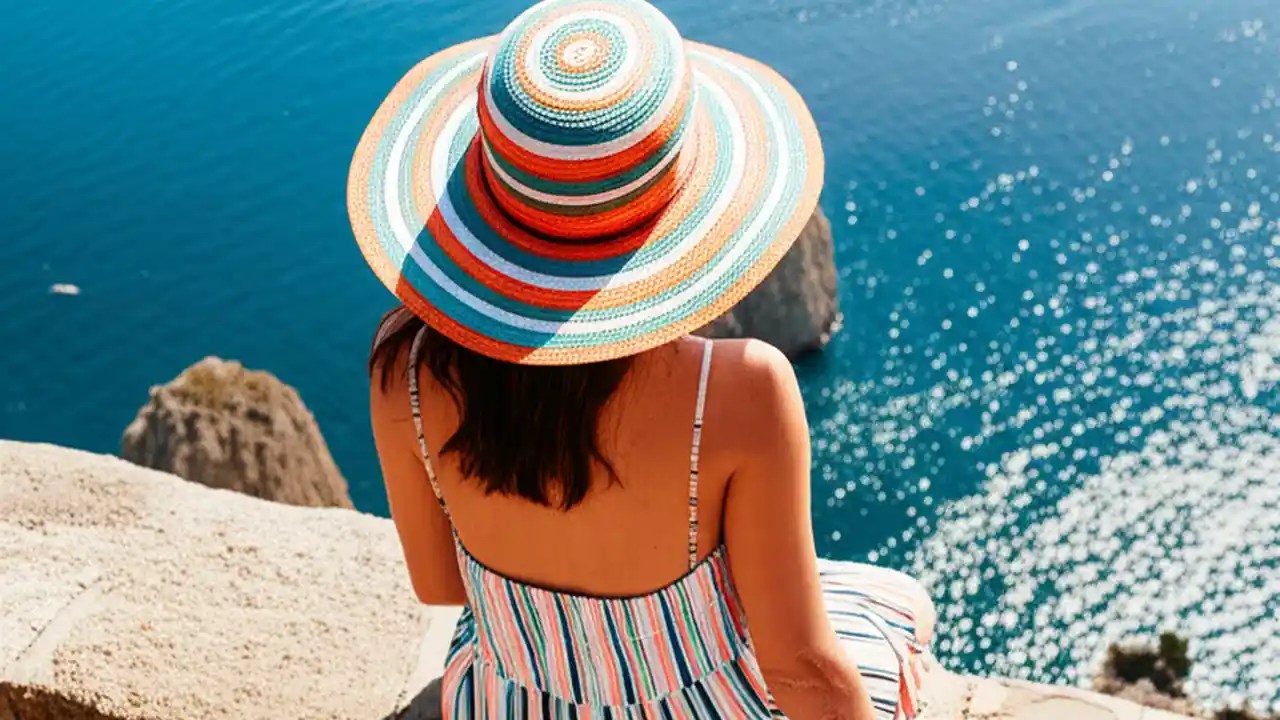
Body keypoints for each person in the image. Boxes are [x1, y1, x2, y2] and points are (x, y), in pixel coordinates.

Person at [351, 0, 935, 717]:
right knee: (902, 602)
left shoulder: (403, 370)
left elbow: (442, 586)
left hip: (511, 702)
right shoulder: (739, 391)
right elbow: (803, 668)